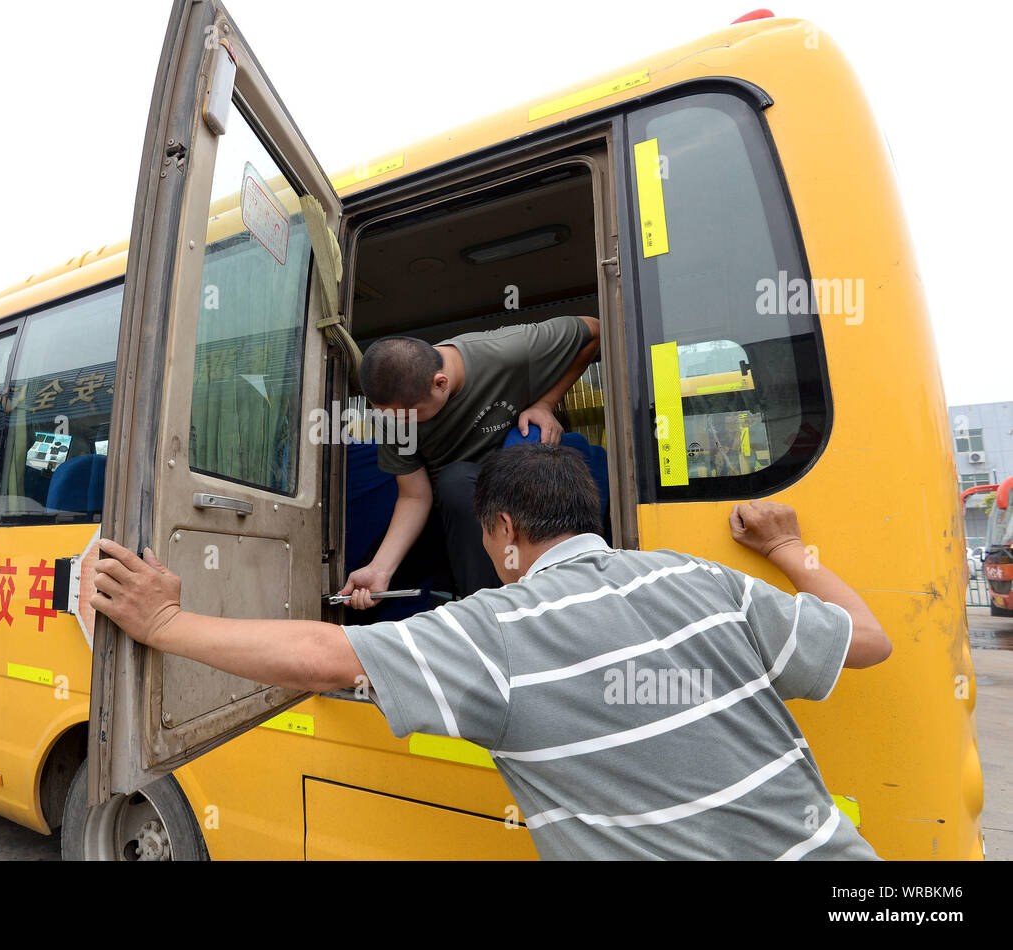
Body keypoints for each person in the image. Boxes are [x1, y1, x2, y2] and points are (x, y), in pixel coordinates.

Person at [91, 443, 891, 860]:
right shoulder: (705, 581)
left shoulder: (499, 631)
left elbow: (326, 656)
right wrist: (792, 552)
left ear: (504, 532)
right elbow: (868, 641)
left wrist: (164, 626)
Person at [342, 315, 600, 606]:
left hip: (513, 499)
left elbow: (593, 330)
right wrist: (380, 569)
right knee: (366, 593)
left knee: (456, 479)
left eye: (405, 415)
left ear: (440, 383)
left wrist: (545, 403)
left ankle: (489, 613)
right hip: (453, 512)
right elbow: (415, 497)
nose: (396, 423)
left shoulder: (508, 350)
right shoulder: (393, 415)